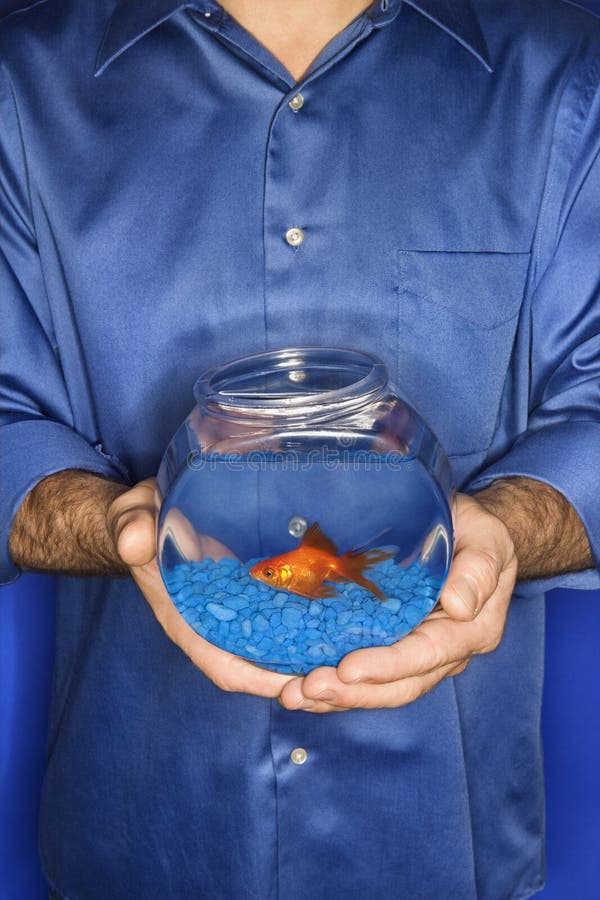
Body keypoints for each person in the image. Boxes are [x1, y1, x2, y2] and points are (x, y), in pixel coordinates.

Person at [1, 1, 599, 898]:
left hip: (445, 849)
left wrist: (507, 529)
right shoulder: (20, 81)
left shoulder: (567, 74)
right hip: (138, 843)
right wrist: (114, 525)